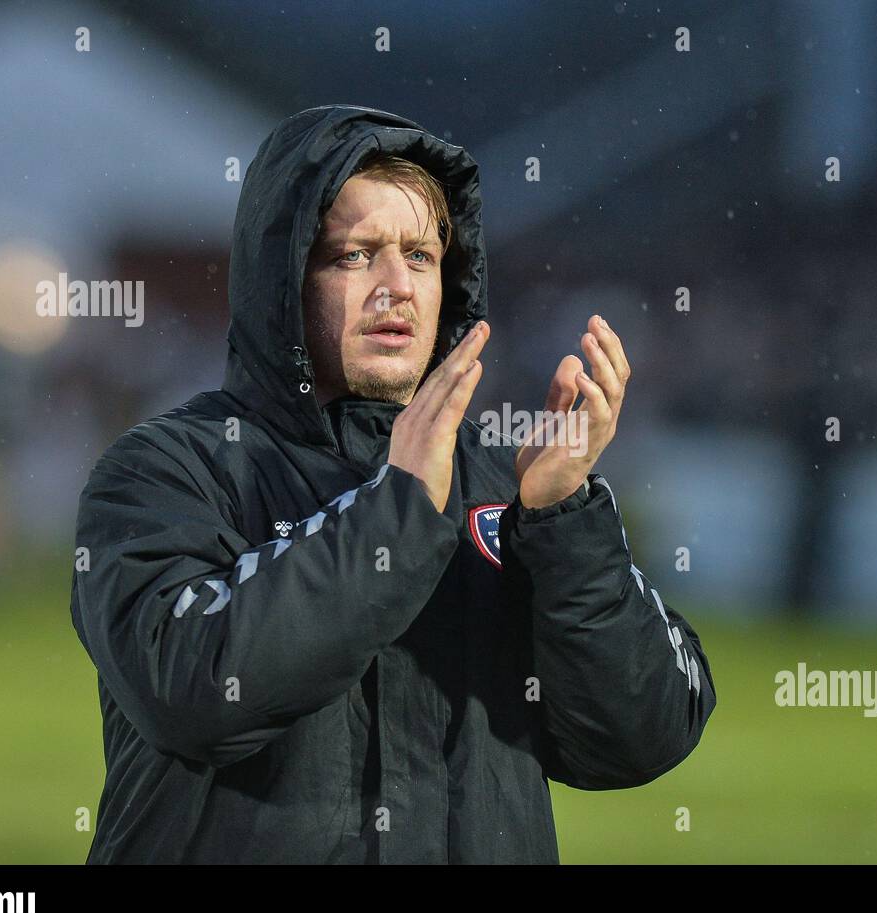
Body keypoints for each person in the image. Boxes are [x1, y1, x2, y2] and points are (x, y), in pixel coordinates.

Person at [69, 104, 715, 864]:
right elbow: (195, 689)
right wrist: (399, 505)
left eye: (419, 255)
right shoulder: (167, 470)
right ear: (283, 278)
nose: (395, 286)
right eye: (353, 255)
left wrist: (563, 518)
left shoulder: (505, 488)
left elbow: (642, 736)